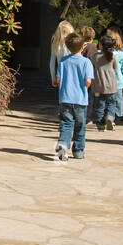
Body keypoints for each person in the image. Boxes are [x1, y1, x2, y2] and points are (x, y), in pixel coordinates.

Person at [54, 32, 93, 161]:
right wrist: (85, 87)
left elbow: (58, 79)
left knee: (66, 124)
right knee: (80, 125)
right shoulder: (86, 62)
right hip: (80, 100)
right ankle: (78, 151)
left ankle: (62, 148)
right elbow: (88, 81)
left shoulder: (63, 61)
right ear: (83, 46)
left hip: (65, 98)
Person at [90, 32, 121, 133]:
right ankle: (109, 119)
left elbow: (92, 67)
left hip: (98, 86)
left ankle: (100, 125)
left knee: (100, 105)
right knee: (112, 103)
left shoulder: (95, 56)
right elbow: (115, 68)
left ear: (101, 45)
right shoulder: (112, 56)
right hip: (111, 85)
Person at [105, 28, 123, 121]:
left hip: (106, 82)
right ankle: (116, 117)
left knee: (108, 102)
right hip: (118, 82)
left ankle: (109, 117)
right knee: (118, 101)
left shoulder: (103, 53)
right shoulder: (121, 53)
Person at [49, 18, 74, 89]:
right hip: (73, 73)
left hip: (61, 74)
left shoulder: (55, 41)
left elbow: (52, 62)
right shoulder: (73, 41)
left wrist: (53, 78)